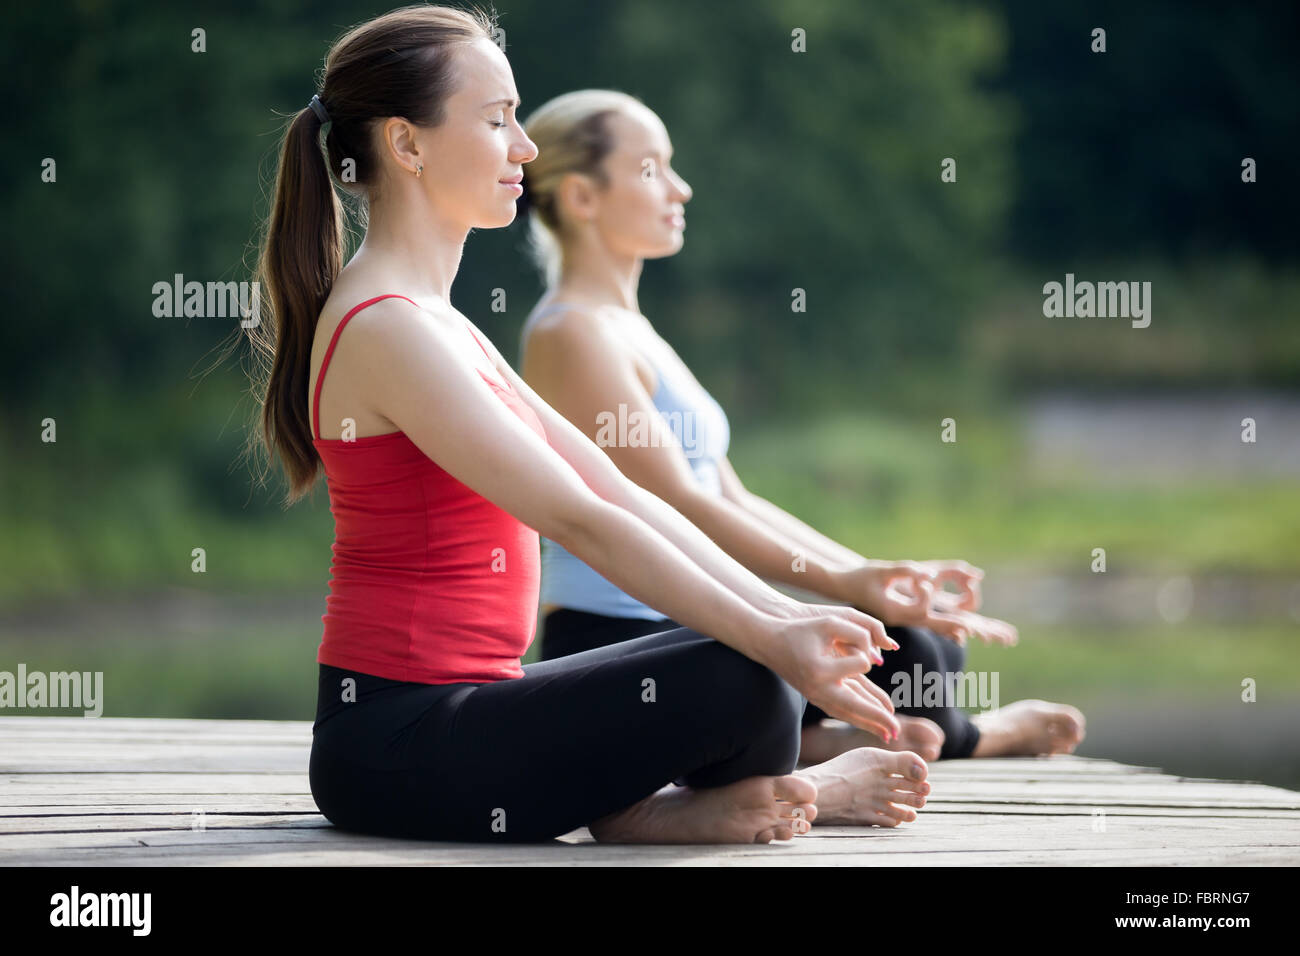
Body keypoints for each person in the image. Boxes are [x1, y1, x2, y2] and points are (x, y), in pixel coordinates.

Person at [245, 5, 930, 844]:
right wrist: (773, 638)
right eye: (497, 121)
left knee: (754, 663)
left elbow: (615, 488)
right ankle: (718, 803)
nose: (524, 149)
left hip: (475, 709)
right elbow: (578, 519)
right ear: (408, 144)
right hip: (394, 746)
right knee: (746, 678)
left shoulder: (441, 323)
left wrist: (782, 621)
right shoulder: (390, 327)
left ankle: (651, 808)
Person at [516, 89, 1086, 764]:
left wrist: (868, 578)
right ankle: (953, 739)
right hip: (619, 632)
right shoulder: (569, 333)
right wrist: (842, 591)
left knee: (920, 643)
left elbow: (731, 497)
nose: (682, 188)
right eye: (652, 169)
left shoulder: (632, 330)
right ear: (582, 197)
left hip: (696, 612)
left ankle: (828, 741)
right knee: (904, 657)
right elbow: (680, 503)